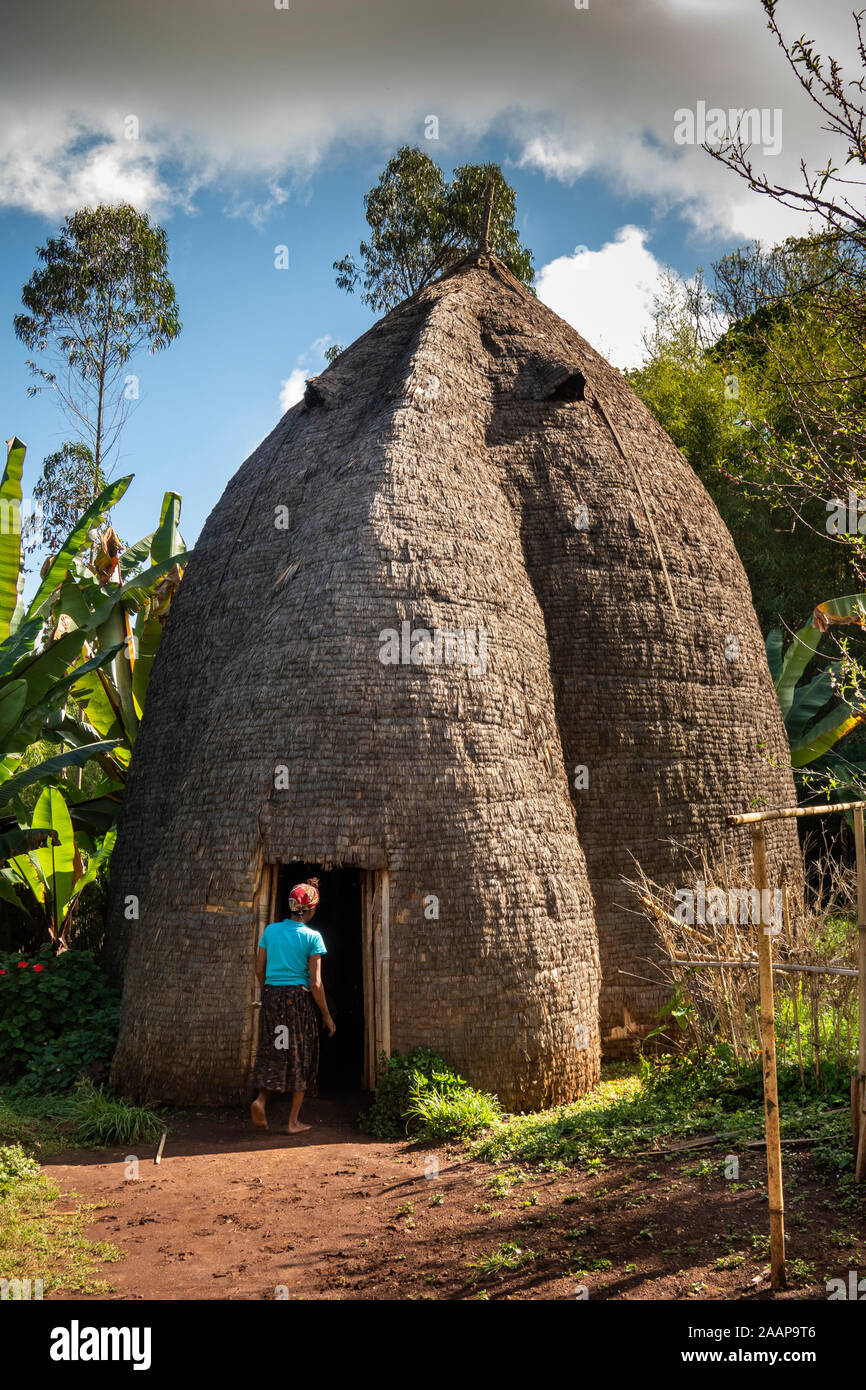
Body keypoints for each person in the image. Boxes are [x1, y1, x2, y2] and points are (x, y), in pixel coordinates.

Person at [250, 877, 336, 1134]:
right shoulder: (313, 937)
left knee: (274, 1050)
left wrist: (270, 990)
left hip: (272, 997)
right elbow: (316, 984)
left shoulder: (270, 931)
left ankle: (261, 1100)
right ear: (310, 909)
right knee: (301, 1054)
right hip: (298, 1001)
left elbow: (258, 968)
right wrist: (327, 1016)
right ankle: (292, 1122)